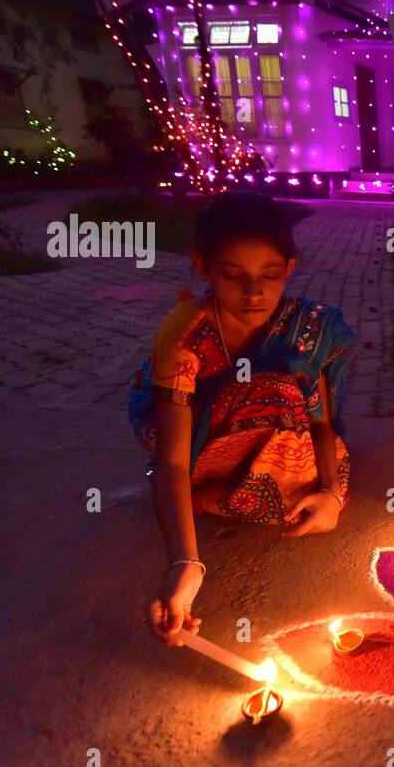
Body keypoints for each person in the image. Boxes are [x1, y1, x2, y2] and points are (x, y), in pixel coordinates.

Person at [130, 190, 355, 641]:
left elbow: (320, 421)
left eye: (270, 275)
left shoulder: (307, 326)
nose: (255, 293)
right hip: (194, 436)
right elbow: (172, 460)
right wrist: (185, 565)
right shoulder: (185, 333)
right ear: (202, 266)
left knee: (300, 422)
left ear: (289, 268)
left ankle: (226, 493)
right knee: (275, 390)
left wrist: (332, 492)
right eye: (233, 277)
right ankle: (211, 491)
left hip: (271, 424)